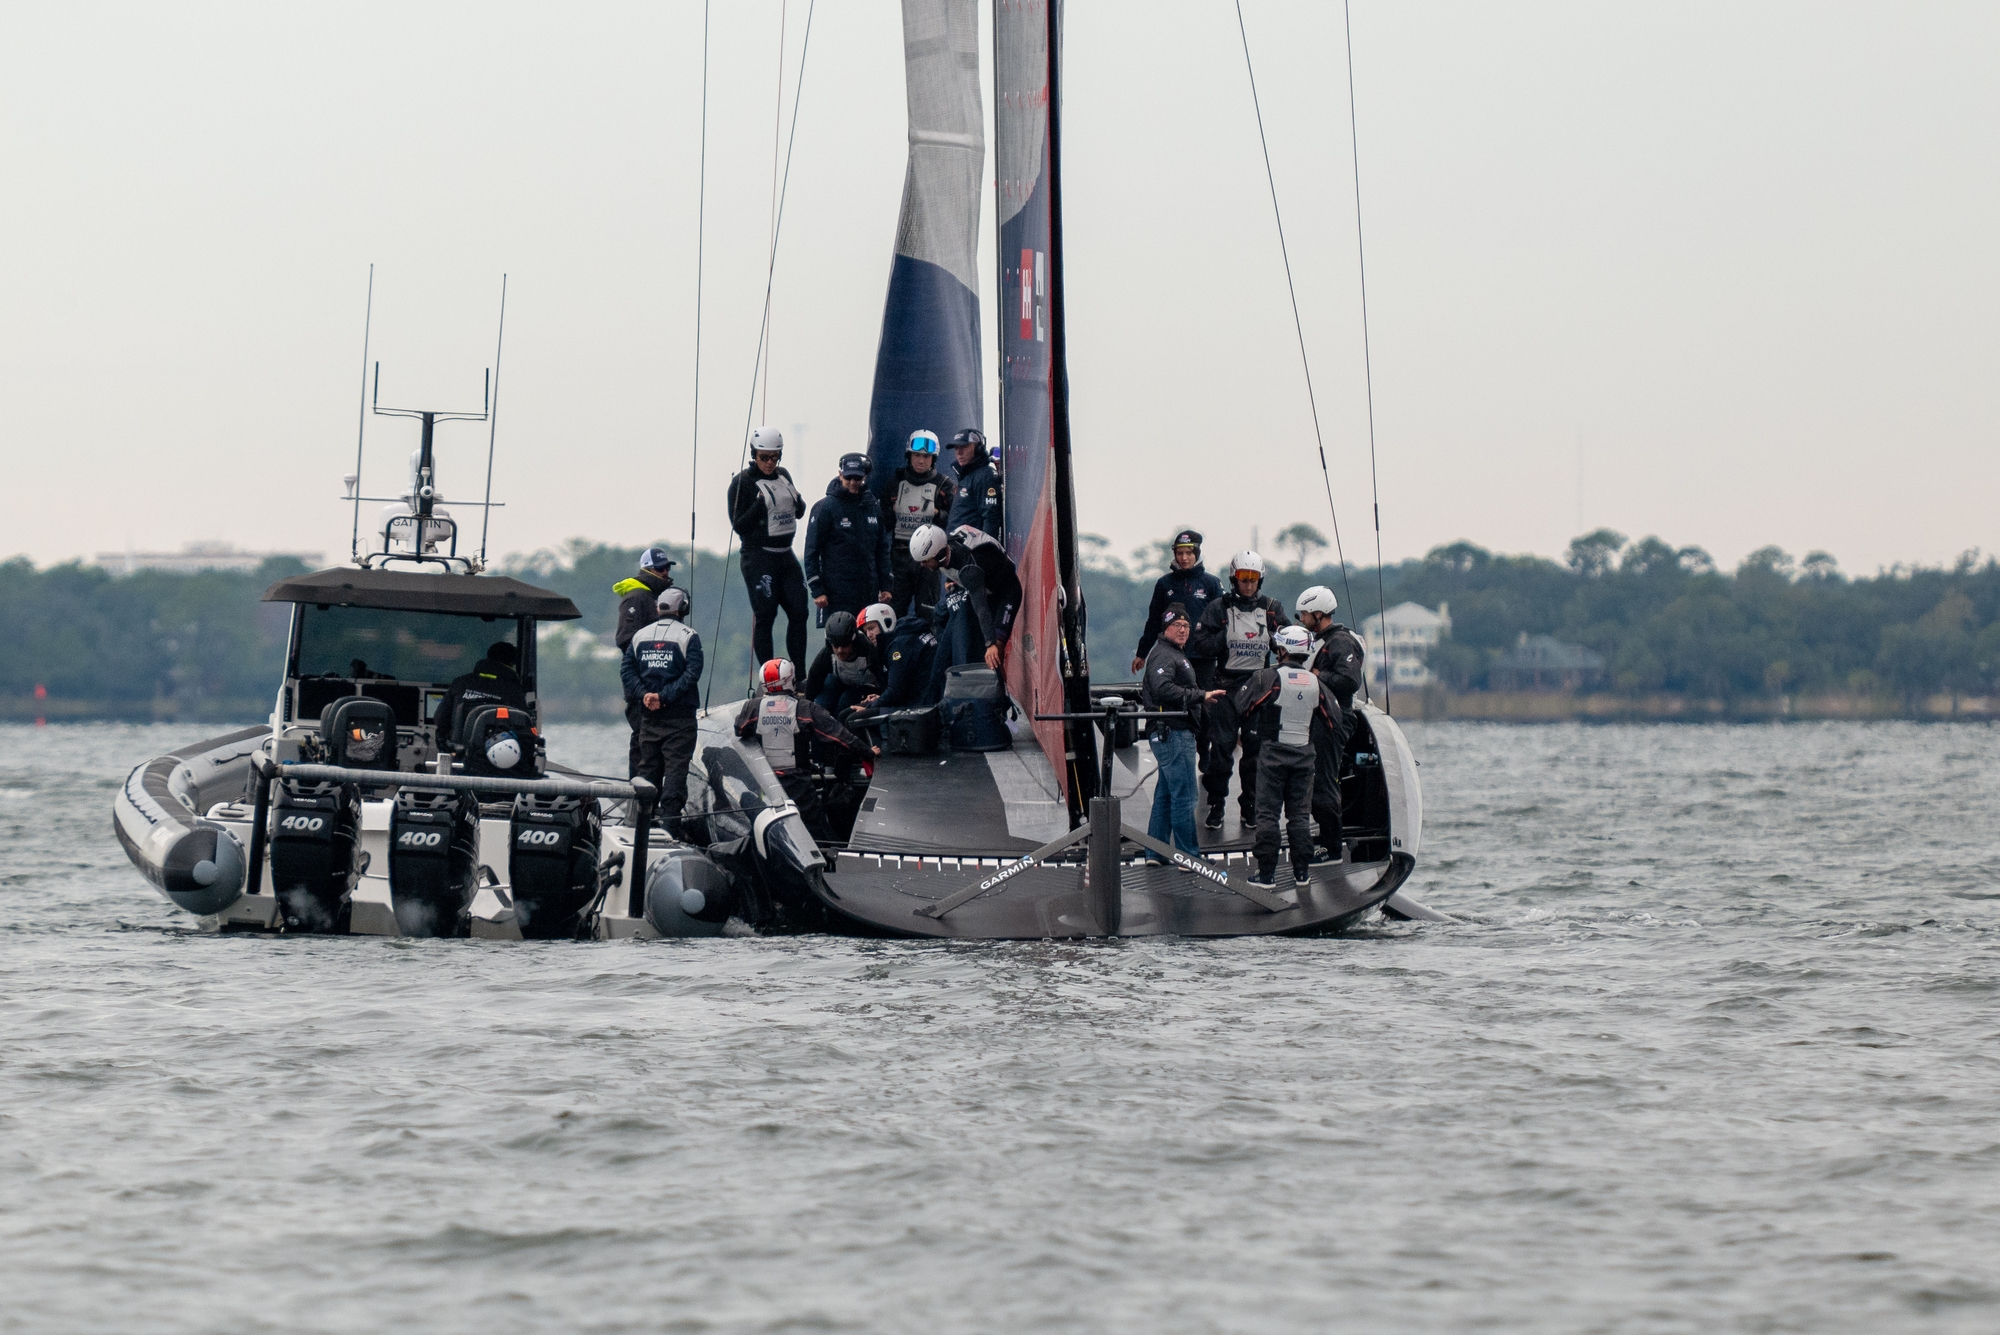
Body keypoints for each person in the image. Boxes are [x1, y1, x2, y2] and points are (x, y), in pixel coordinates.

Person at [1231, 625, 1345, 889]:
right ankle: (1302, 874)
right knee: (1300, 816)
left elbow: (1241, 705)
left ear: (1282, 650)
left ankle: (1267, 875)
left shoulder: (1267, 677)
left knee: (1268, 815)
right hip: (1305, 756)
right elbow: (1335, 720)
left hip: (1272, 754)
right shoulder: (1317, 683)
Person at [1189, 550, 1289, 830]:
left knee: (1255, 753)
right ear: (1234, 580)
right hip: (1226, 688)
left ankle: (1250, 806)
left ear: (1260, 580)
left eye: (1253, 579)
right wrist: (1225, 637)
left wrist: (1276, 642)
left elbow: (1289, 646)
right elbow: (1200, 645)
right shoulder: (1218, 608)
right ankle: (1216, 804)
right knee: (1221, 750)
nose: (1248, 585)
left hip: (1259, 688)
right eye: (1243, 579)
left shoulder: (1272, 609)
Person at [734, 658, 880, 843]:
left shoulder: (752, 707)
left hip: (767, 786)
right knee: (818, 832)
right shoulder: (805, 708)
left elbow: (739, 729)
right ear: (791, 680)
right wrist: (868, 752)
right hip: (797, 785)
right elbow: (841, 736)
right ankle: (834, 864)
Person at [1140, 604, 1227, 864]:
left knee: (1165, 796)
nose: (1182, 630)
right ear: (1165, 628)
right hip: (1174, 732)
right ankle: (1189, 856)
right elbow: (1162, 688)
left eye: (1186, 626)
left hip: (1172, 732)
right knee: (1185, 796)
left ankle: (1155, 852)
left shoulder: (1173, 654)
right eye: (1176, 625)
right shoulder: (1165, 655)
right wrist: (1201, 695)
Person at [620, 587, 703, 835]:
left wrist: (645, 695)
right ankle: (670, 830)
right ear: (683, 608)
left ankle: (641, 829)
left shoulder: (639, 636)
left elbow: (626, 672)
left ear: (659, 608)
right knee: (676, 774)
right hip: (680, 719)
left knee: (647, 772)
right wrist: (663, 697)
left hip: (648, 718)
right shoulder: (690, 636)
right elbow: (692, 674)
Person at [727, 426, 809, 672]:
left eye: (775, 457)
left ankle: (800, 675)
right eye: (765, 457)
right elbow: (739, 525)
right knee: (766, 616)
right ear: (754, 454)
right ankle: (769, 675)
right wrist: (758, 506)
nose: (770, 462)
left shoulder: (783, 476)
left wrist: (799, 501)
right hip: (758, 557)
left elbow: (800, 512)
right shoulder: (742, 482)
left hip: (786, 555)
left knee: (799, 612)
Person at [1293, 585, 1366, 859]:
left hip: (1335, 718)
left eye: (1304, 615)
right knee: (1313, 779)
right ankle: (1325, 834)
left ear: (1319, 614)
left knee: (1324, 782)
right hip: (1319, 716)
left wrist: (1318, 676)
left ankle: (1331, 847)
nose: (1301, 620)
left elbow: (1349, 681)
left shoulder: (1341, 642)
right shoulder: (1321, 639)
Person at [910, 523, 1021, 691]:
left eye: (925, 561)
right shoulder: (946, 546)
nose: (922, 565)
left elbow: (981, 606)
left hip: (1007, 593)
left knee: (994, 655)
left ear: (938, 554)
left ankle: (1003, 698)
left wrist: (990, 642)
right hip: (985, 584)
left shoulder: (968, 567)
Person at [611, 547, 678, 776]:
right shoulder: (636, 597)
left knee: (654, 744)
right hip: (641, 686)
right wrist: (646, 677)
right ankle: (639, 798)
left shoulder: (655, 597)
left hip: (659, 686)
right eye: (661, 568)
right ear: (648, 570)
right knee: (642, 740)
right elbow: (625, 640)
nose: (666, 571)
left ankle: (651, 797)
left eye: (667, 567)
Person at [804, 453, 893, 622]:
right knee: (839, 642)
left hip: (868, 591)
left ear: (864, 477)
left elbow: (882, 548)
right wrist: (817, 589)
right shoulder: (825, 507)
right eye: (848, 477)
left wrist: (886, 586)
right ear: (840, 475)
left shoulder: (872, 506)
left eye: (857, 478)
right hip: (836, 593)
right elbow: (811, 551)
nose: (853, 482)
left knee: (868, 642)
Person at [881, 430, 957, 617]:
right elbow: (883, 523)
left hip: (928, 561)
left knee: (928, 613)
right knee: (894, 613)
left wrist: (938, 514)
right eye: (916, 455)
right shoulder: (894, 483)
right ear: (909, 456)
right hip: (899, 557)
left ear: (933, 459)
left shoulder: (944, 485)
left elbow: (956, 521)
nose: (921, 461)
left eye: (926, 456)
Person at [1131, 529, 1226, 674]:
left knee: (1202, 695)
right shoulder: (1164, 583)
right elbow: (1154, 621)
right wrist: (1142, 653)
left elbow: (1223, 622)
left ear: (1197, 554)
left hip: (1203, 656)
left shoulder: (1211, 583)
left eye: (1189, 553)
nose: (1184, 558)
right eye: (1180, 553)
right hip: (1172, 654)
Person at [436, 640, 531, 748]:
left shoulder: (461, 683)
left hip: (461, 753)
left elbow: (440, 719)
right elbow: (523, 726)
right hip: (500, 756)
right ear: (511, 664)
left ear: (488, 658)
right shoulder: (514, 691)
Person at [803, 609, 886, 717]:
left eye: (845, 645)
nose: (840, 650)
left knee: (845, 705)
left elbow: (884, 680)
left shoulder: (868, 650)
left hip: (866, 687)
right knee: (821, 706)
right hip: (838, 681)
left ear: (853, 640)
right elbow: (813, 682)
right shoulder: (826, 654)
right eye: (836, 646)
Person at [943, 428, 1002, 539]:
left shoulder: (985, 476)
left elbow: (991, 518)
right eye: (956, 448)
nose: (959, 452)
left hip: (971, 551)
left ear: (978, 448)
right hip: (957, 548)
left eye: (964, 447)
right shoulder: (967, 475)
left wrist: (985, 552)